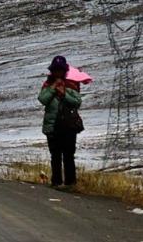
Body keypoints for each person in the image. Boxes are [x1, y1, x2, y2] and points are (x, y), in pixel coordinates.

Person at [38, 54, 82, 187]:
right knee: (55, 156)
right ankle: (56, 181)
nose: (57, 72)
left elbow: (77, 102)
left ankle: (70, 183)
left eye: (60, 70)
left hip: (68, 126)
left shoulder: (71, 86)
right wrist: (53, 88)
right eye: (55, 70)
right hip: (53, 126)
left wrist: (64, 94)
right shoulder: (47, 86)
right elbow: (42, 99)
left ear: (64, 71)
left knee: (68, 156)